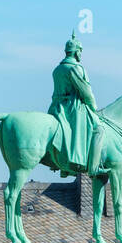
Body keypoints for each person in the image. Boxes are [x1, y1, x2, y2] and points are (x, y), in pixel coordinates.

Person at [48, 34, 103, 175]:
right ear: (77, 51)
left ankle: (63, 168)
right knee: (98, 128)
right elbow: (86, 92)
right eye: (81, 51)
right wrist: (93, 107)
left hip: (56, 107)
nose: (81, 54)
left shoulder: (58, 69)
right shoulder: (76, 69)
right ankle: (93, 167)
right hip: (72, 108)